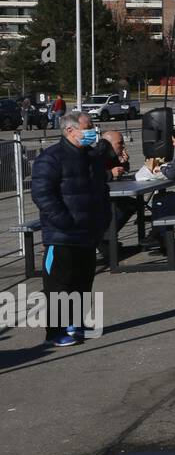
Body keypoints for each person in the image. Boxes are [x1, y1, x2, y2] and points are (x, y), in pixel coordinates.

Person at [30, 112, 111, 347]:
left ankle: (76, 322)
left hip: (88, 231)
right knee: (58, 284)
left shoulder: (91, 157)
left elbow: (101, 189)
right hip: (62, 234)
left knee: (83, 280)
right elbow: (42, 194)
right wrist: (64, 220)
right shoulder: (51, 158)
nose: (93, 131)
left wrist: (104, 217)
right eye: (88, 127)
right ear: (70, 130)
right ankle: (55, 332)